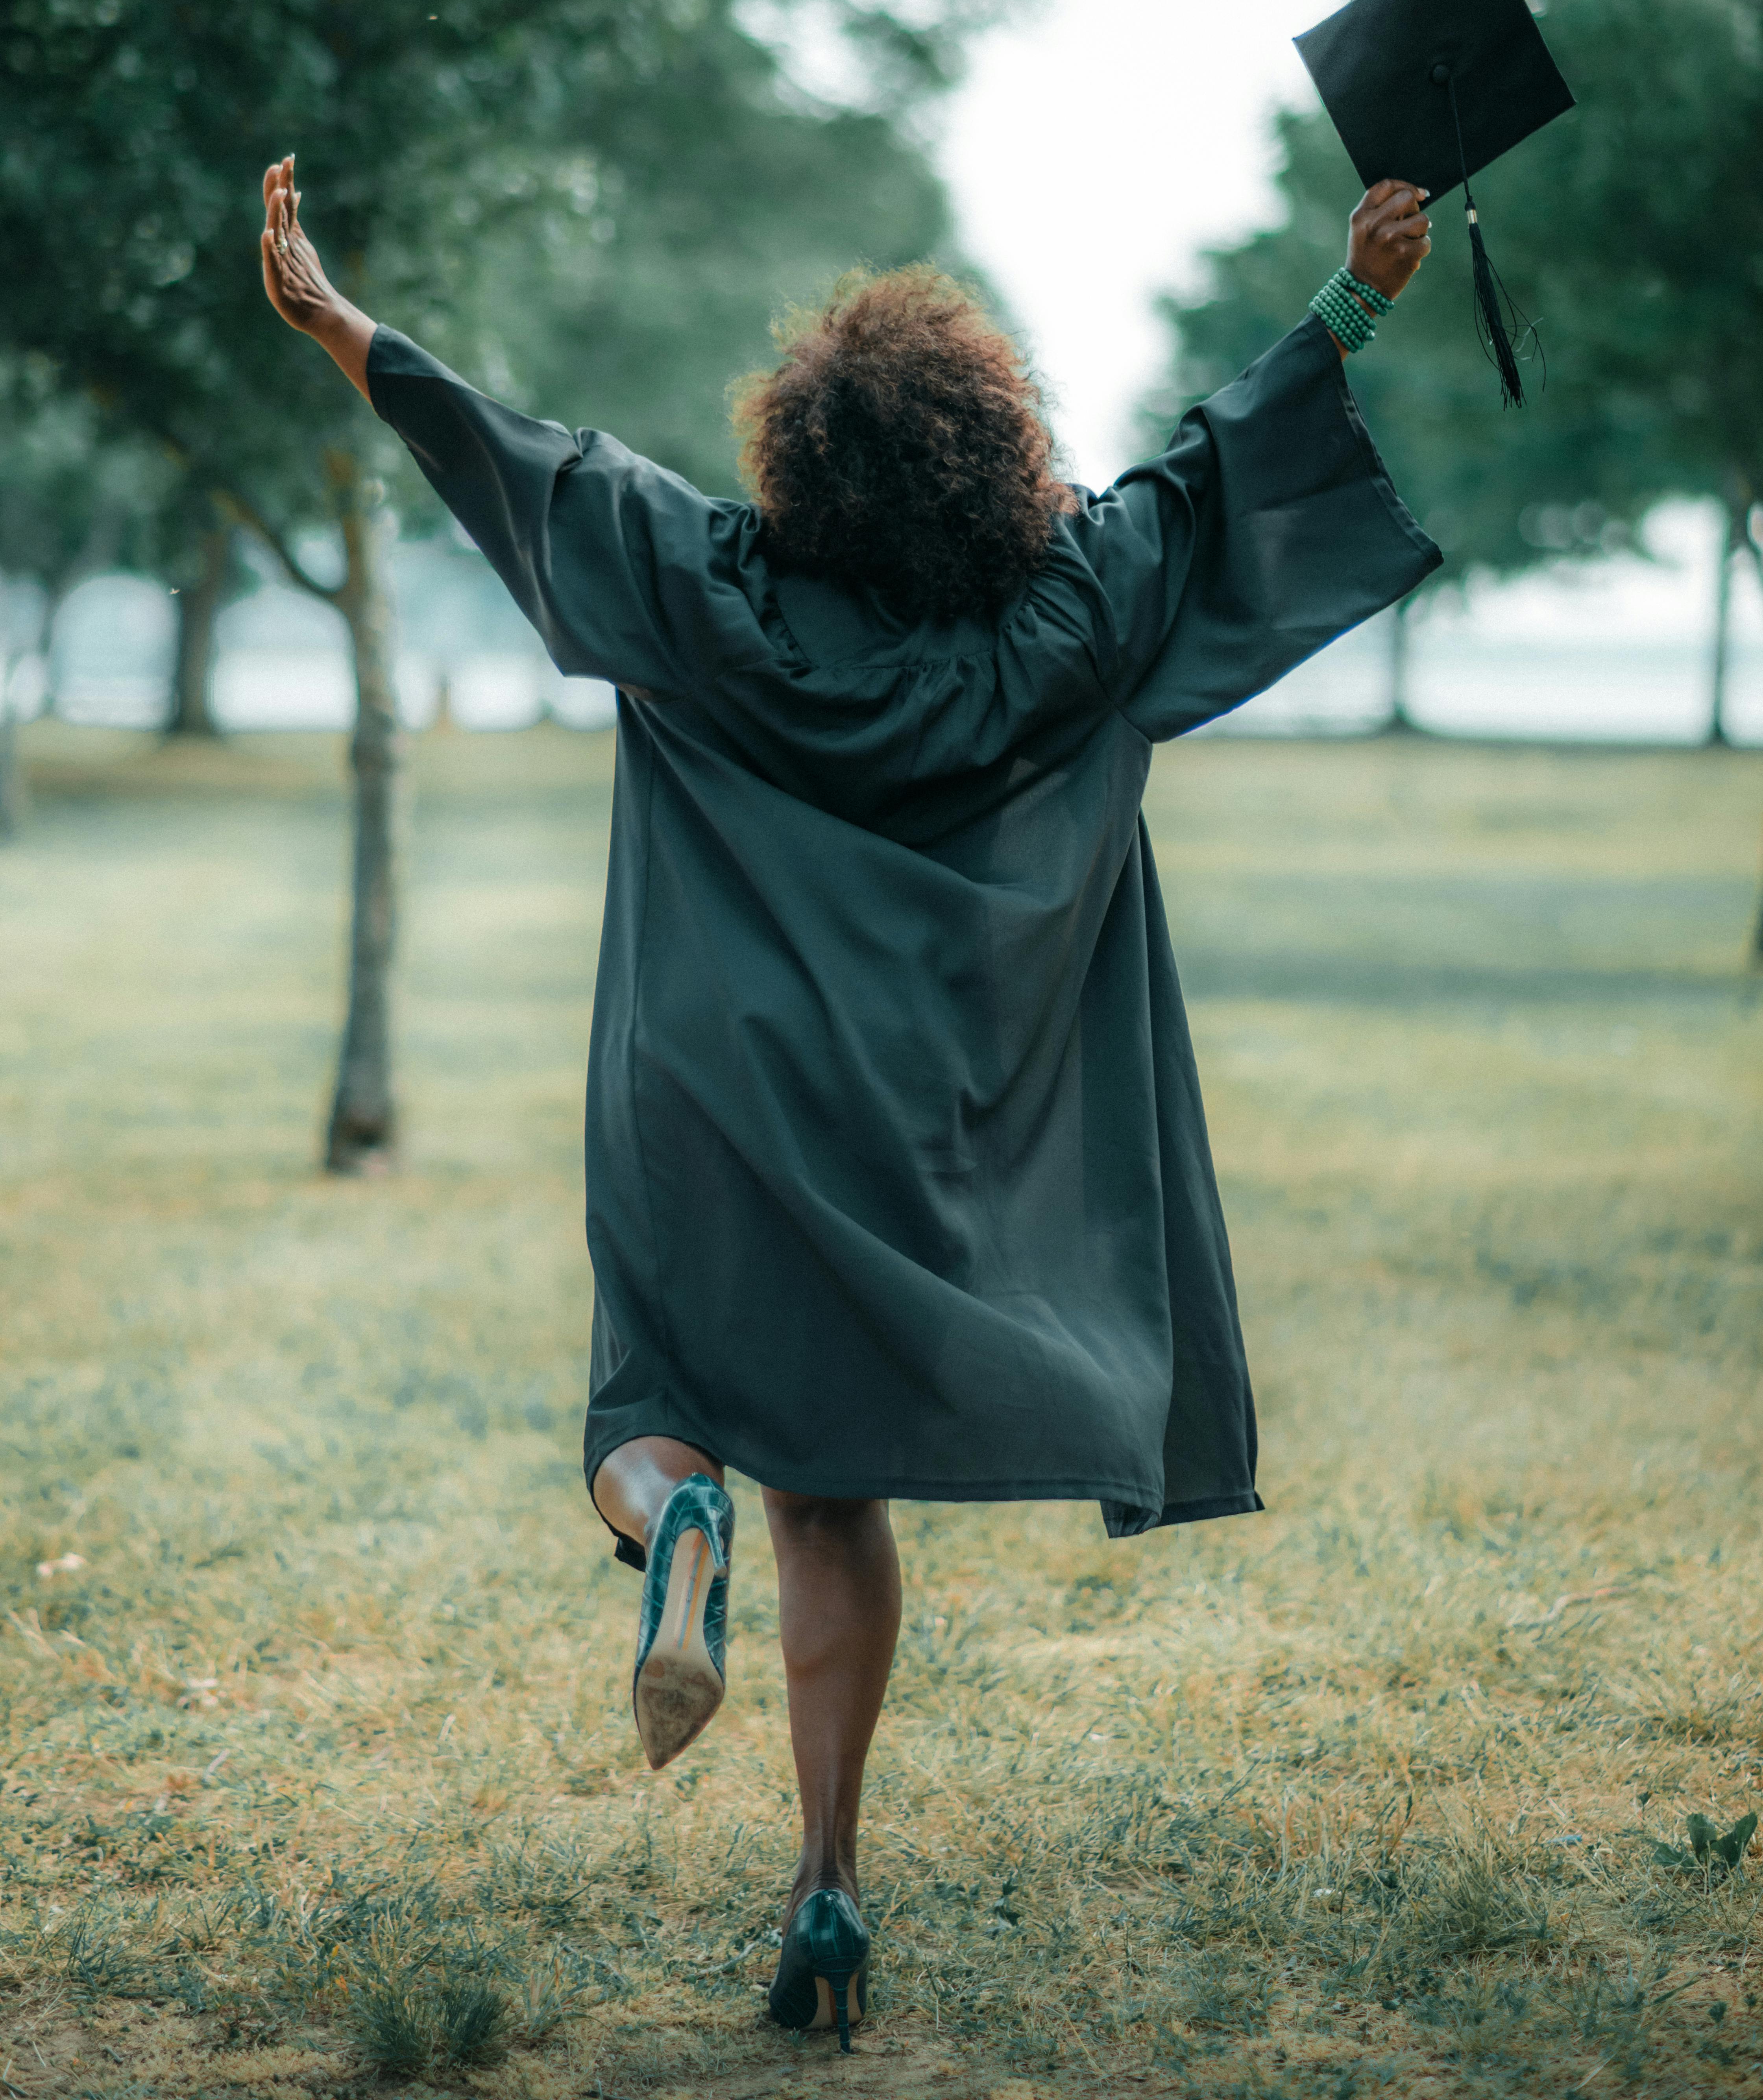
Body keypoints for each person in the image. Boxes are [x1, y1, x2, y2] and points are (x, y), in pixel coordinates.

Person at [260, 156, 1437, 2047]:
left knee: (651, 1415)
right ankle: (824, 1884)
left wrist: (343, 328)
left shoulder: (714, 596)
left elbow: (531, 461)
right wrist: (1360, 288)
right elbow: (1204, 480)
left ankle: (673, 1530)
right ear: (993, 457)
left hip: (716, 1101)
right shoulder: (1062, 624)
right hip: (927, 1126)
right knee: (841, 1498)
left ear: (802, 462)